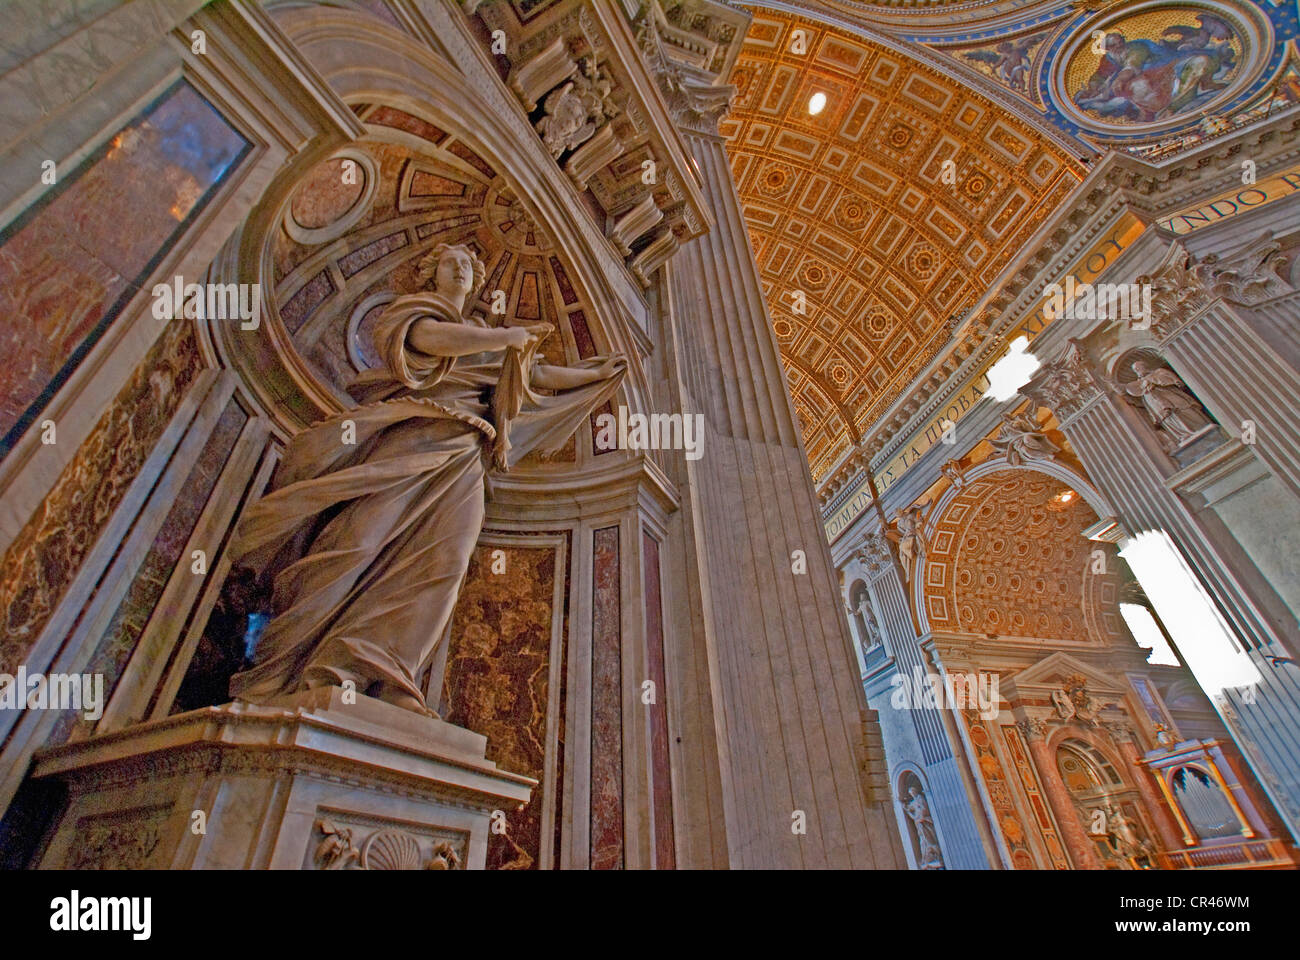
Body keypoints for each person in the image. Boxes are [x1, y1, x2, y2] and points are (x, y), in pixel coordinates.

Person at [228, 242, 626, 715]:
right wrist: (507, 340)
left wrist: (594, 374)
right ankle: (316, 668)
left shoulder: (486, 334)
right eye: (449, 263)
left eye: (467, 265)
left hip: (466, 454)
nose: (459, 269)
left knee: (445, 564)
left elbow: (536, 374)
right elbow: (427, 341)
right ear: (431, 274)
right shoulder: (413, 314)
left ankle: (390, 671)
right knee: (358, 543)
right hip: (412, 437)